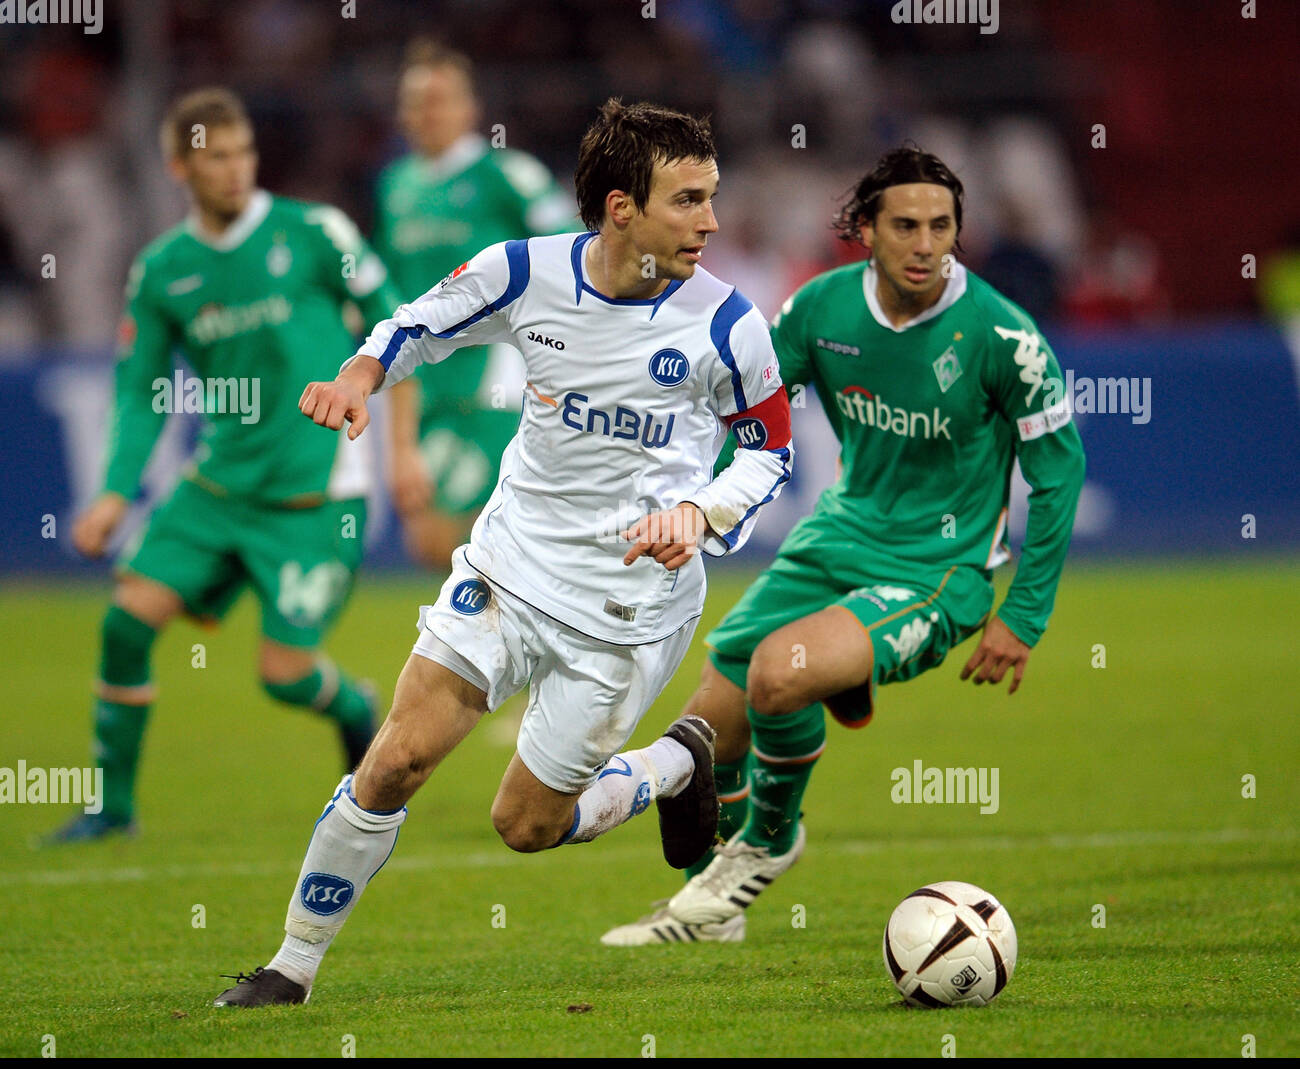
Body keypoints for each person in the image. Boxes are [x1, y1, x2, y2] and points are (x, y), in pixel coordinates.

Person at [213, 99, 794, 1007]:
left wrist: (699, 508)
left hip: (627, 611)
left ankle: (679, 760)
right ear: (618, 208)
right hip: (509, 569)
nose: (710, 223)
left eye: (711, 198)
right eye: (687, 201)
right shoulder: (522, 273)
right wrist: (358, 377)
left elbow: (770, 448)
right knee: (396, 758)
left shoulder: (729, 326)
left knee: (525, 825)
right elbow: (415, 325)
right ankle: (291, 966)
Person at [600, 144, 1086, 945]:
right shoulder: (819, 310)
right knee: (709, 728)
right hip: (834, 541)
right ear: (865, 228)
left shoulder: (1003, 335)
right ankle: (708, 914)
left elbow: (1060, 474)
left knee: (778, 675)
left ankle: (770, 836)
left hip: (939, 569)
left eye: (942, 226)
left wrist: (1024, 615)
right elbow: (755, 414)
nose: (925, 243)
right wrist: (700, 511)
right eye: (905, 225)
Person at [47, 89, 401, 843]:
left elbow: (397, 319)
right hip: (218, 484)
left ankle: (356, 706)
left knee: (284, 675)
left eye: (243, 153)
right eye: (216, 157)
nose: (235, 170)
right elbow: (141, 394)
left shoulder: (313, 231)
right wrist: (114, 493)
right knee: (125, 622)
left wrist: (385, 416)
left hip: (315, 489)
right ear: (180, 166)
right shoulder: (163, 271)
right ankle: (114, 811)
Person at [374, 40, 576, 568]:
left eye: (440, 99)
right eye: (416, 100)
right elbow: (392, 296)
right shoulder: (396, 187)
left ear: (470, 109)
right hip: (428, 385)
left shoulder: (506, 176)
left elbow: (572, 254)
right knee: (433, 545)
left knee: (453, 536)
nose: (427, 112)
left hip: (496, 382)